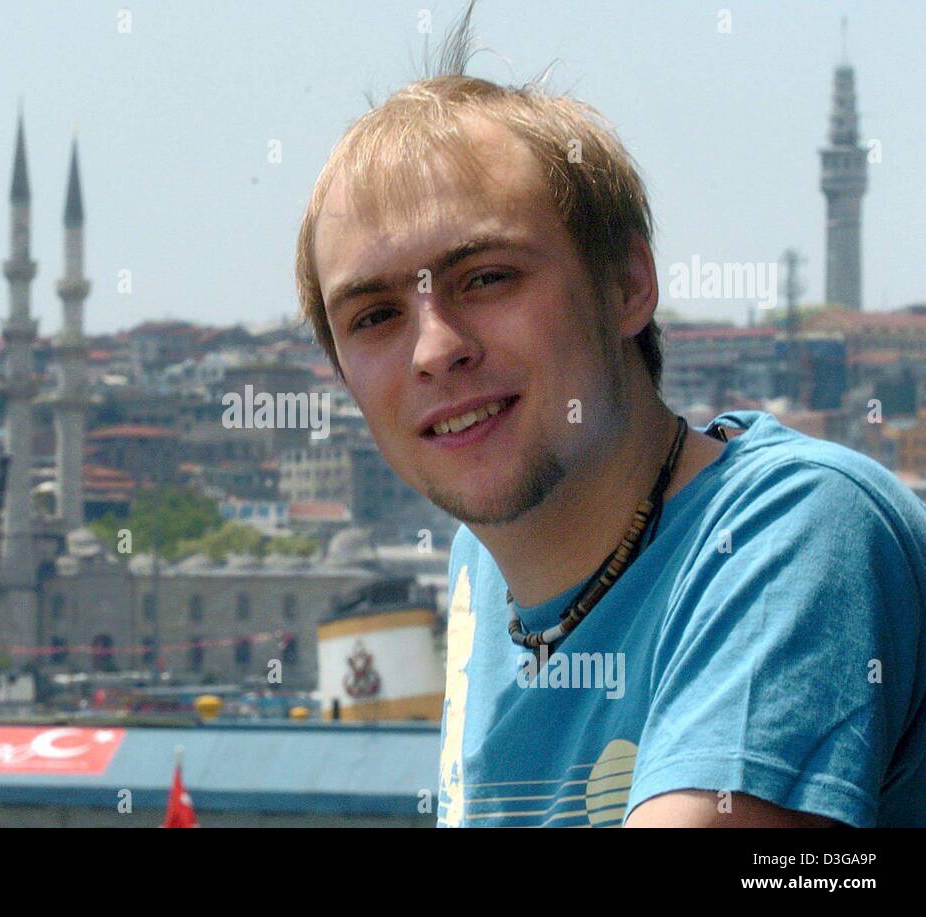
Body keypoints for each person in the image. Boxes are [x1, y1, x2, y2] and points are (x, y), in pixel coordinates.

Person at [293, 3, 926, 827]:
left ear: (628, 284)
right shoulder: (482, 573)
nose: (434, 348)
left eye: (485, 277)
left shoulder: (794, 531)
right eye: (374, 316)